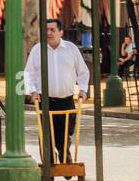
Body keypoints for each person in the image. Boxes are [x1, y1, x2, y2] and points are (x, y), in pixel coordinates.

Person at [25, 18, 90, 167]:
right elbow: (29, 73)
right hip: (45, 101)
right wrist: (32, 91)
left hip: (66, 100)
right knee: (45, 137)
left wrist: (83, 90)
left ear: (61, 32)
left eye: (52, 30)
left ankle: (64, 155)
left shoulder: (71, 49)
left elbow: (83, 71)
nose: (49, 33)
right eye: (46, 30)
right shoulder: (37, 50)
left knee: (65, 135)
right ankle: (49, 168)